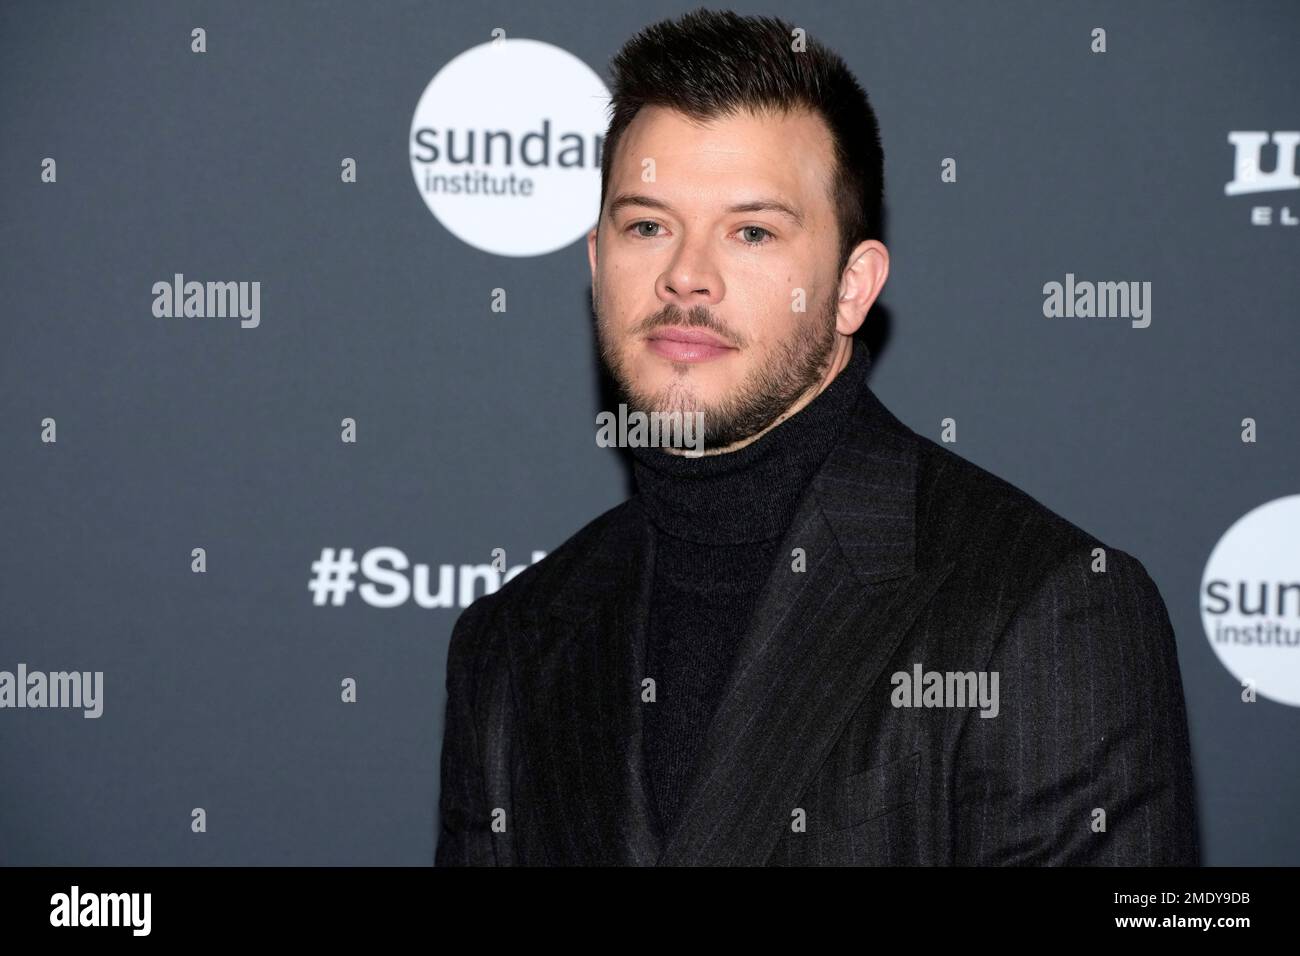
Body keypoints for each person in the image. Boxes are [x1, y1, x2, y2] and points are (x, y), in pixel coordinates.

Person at [435, 8, 1199, 866]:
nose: (687, 275)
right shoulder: (511, 642)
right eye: (647, 225)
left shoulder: (1043, 612)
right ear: (595, 262)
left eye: (752, 231)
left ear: (851, 288)